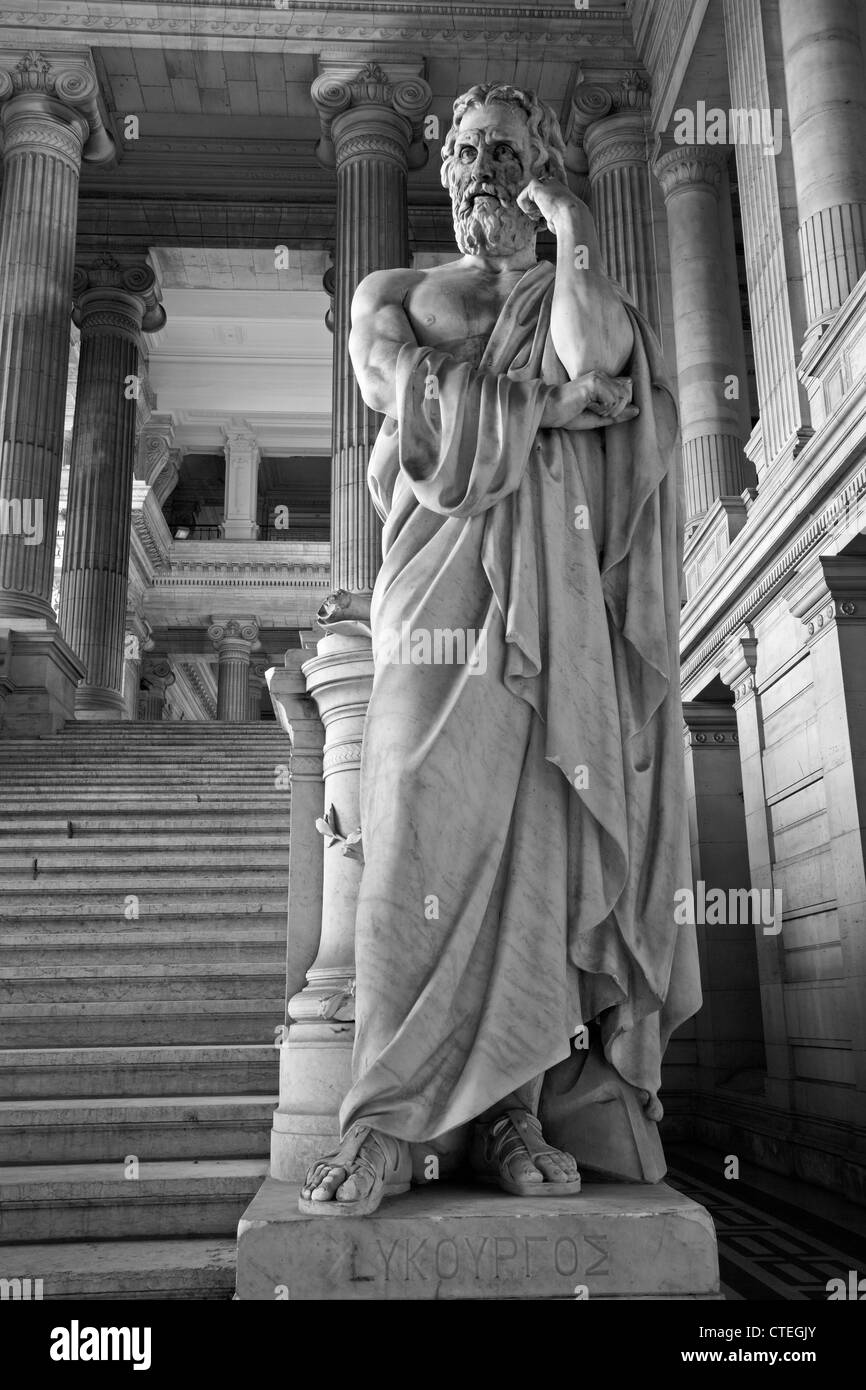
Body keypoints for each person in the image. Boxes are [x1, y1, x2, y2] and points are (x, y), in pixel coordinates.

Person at [300, 82, 700, 1216]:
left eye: (507, 151)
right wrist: (541, 409)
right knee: (414, 833)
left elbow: (606, 366)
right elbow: (397, 392)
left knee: (535, 844)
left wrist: (569, 235)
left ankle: (512, 1117)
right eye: (468, 148)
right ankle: (383, 1124)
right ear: (440, 167)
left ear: (534, 165)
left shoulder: (558, 281)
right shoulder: (397, 291)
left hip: (551, 602)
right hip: (433, 591)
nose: (484, 166)